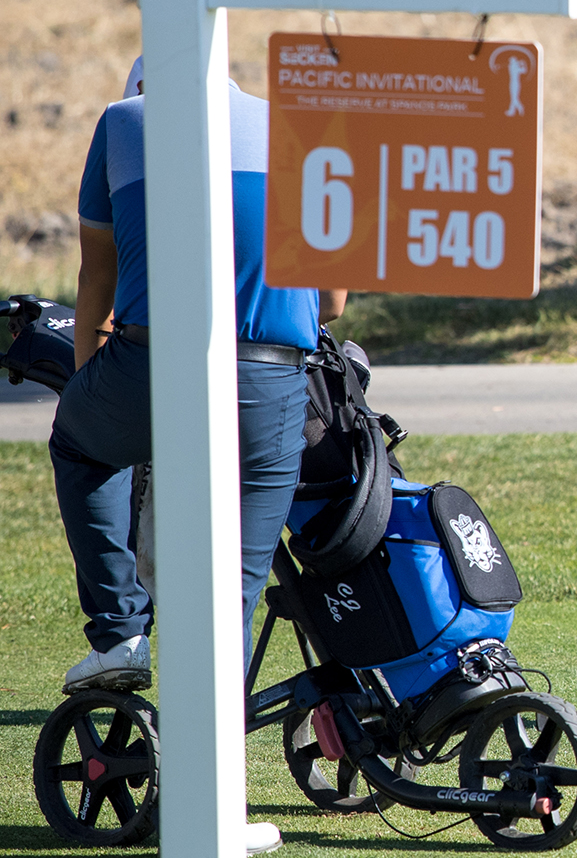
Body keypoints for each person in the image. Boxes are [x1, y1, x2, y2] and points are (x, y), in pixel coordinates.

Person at [53, 58, 347, 855]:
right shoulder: (297, 126)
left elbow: (97, 280)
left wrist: (88, 383)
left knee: (80, 446)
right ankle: (209, 804)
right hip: (272, 385)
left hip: (151, 364)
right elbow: (335, 300)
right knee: (231, 599)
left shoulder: (122, 126)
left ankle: (119, 631)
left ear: (142, 89)